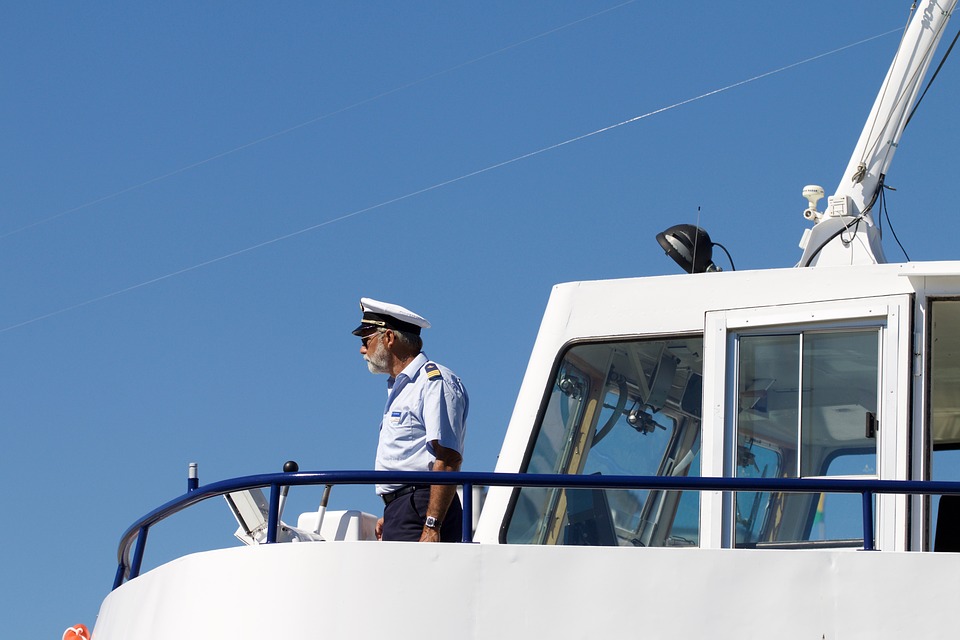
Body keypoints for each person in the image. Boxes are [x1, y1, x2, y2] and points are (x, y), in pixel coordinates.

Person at [352, 297, 469, 542]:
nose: (363, 349)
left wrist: (431, 524)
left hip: (421, 509)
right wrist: (393, 509)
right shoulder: (402, 388)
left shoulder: (434, 382)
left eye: (366, 340)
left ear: (389, 338)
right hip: (406, 508)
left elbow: (448, 458)